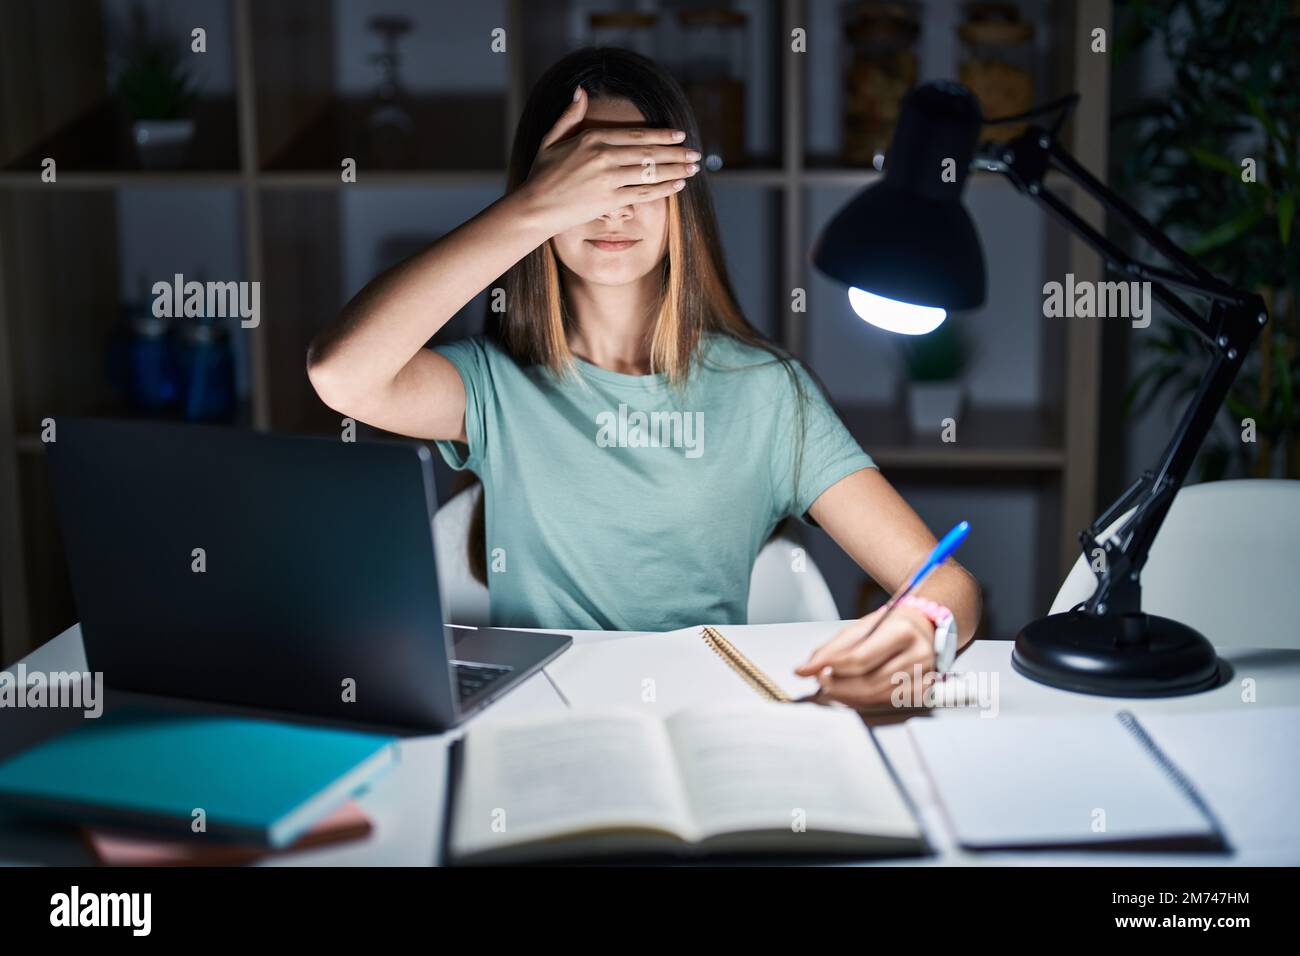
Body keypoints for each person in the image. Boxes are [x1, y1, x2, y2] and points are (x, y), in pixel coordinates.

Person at [307, 47, 981, 709]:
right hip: (540, 723)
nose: (613, 208)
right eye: (585, 178)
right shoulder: (491, 387)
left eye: (640, 174)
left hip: (710, 722)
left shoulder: (768, 394)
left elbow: (948, 584)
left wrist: (926, 631)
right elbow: (342, 372)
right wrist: (533, 208)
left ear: (682, 192)